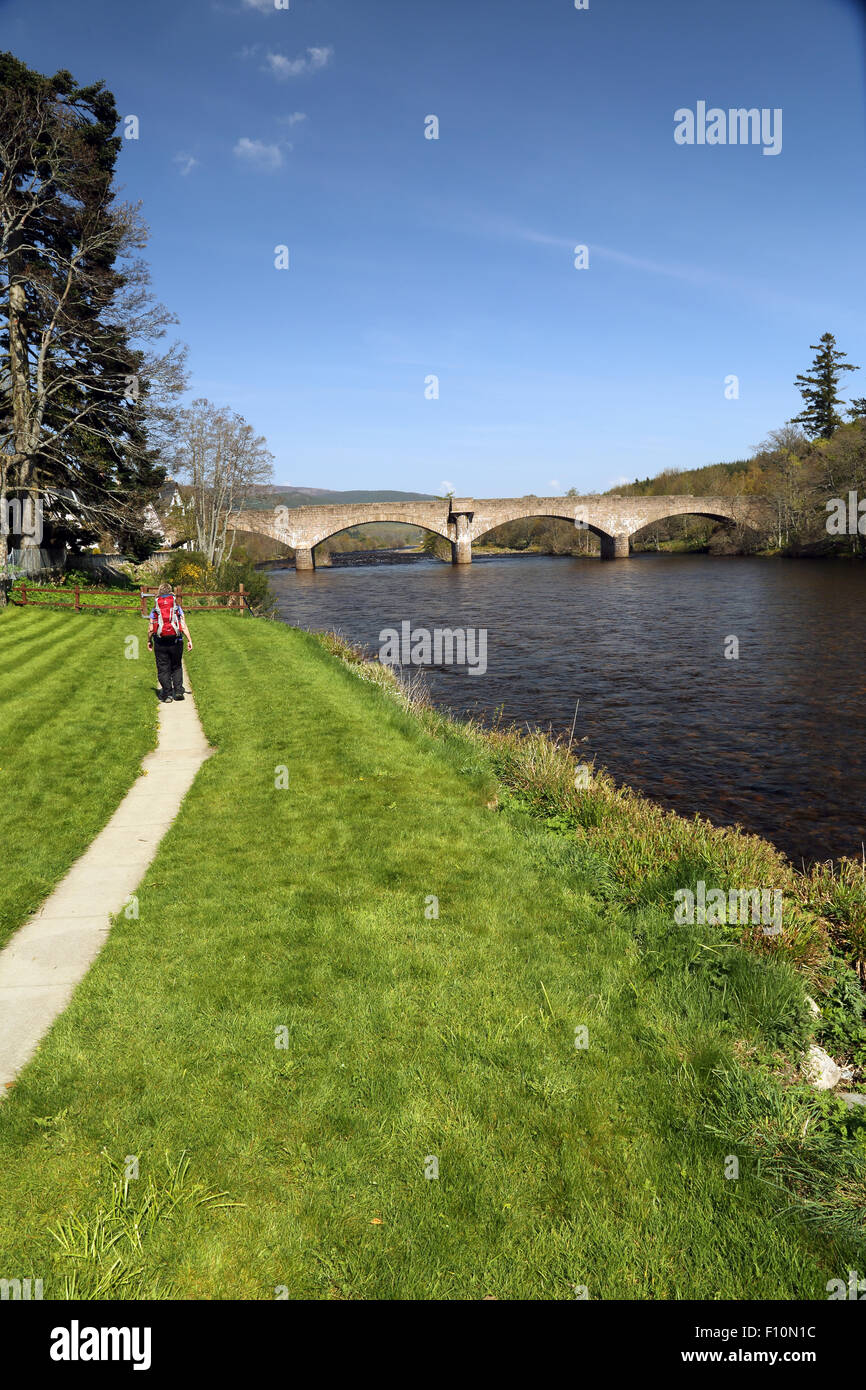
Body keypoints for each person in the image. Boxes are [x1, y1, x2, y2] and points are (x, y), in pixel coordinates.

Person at [147, 582, 193, 703]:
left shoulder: (155, 609)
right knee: (176, 665)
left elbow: (151, 628)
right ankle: (178, 691)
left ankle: (167, 694)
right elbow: (182, 624)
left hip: (160, 642)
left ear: (159, 592)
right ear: (171, 592)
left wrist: (149, 640)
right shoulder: (177, 607)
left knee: (163, 667)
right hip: (176, 641)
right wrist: (189, 639)